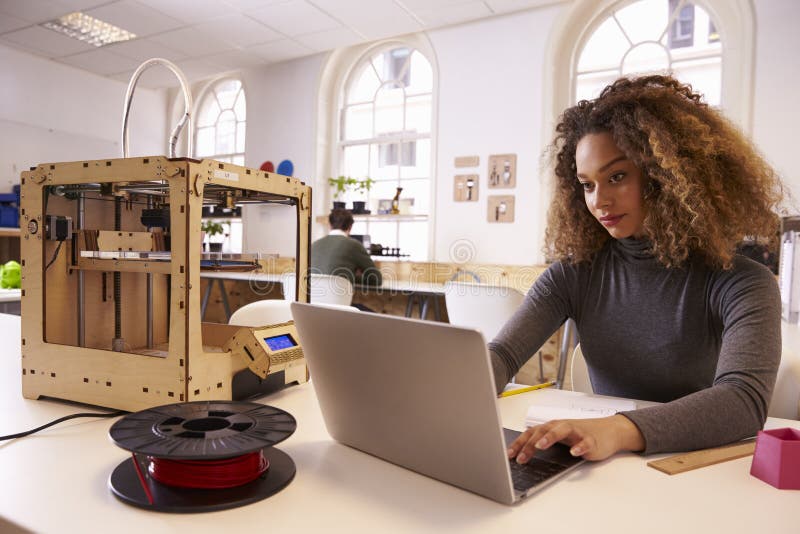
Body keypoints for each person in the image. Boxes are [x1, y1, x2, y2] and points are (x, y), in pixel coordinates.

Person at [493, 74, 784, 463]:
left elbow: (744, 402)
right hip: (603, 465)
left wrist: (617, 429)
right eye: (588, 184)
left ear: (665, 176)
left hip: (693, 468)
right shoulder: (573, 274)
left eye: (617, 177)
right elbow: (503, 354)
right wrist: (455, 385)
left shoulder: (742, 283)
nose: (599, 201)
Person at [311, 208, 383, 286]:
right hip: (339, 296)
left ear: (329, 225)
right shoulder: (354, 245)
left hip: (314, 296)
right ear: (350, 226)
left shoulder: (314, 245)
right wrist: (350, 277)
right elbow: (376, 279)